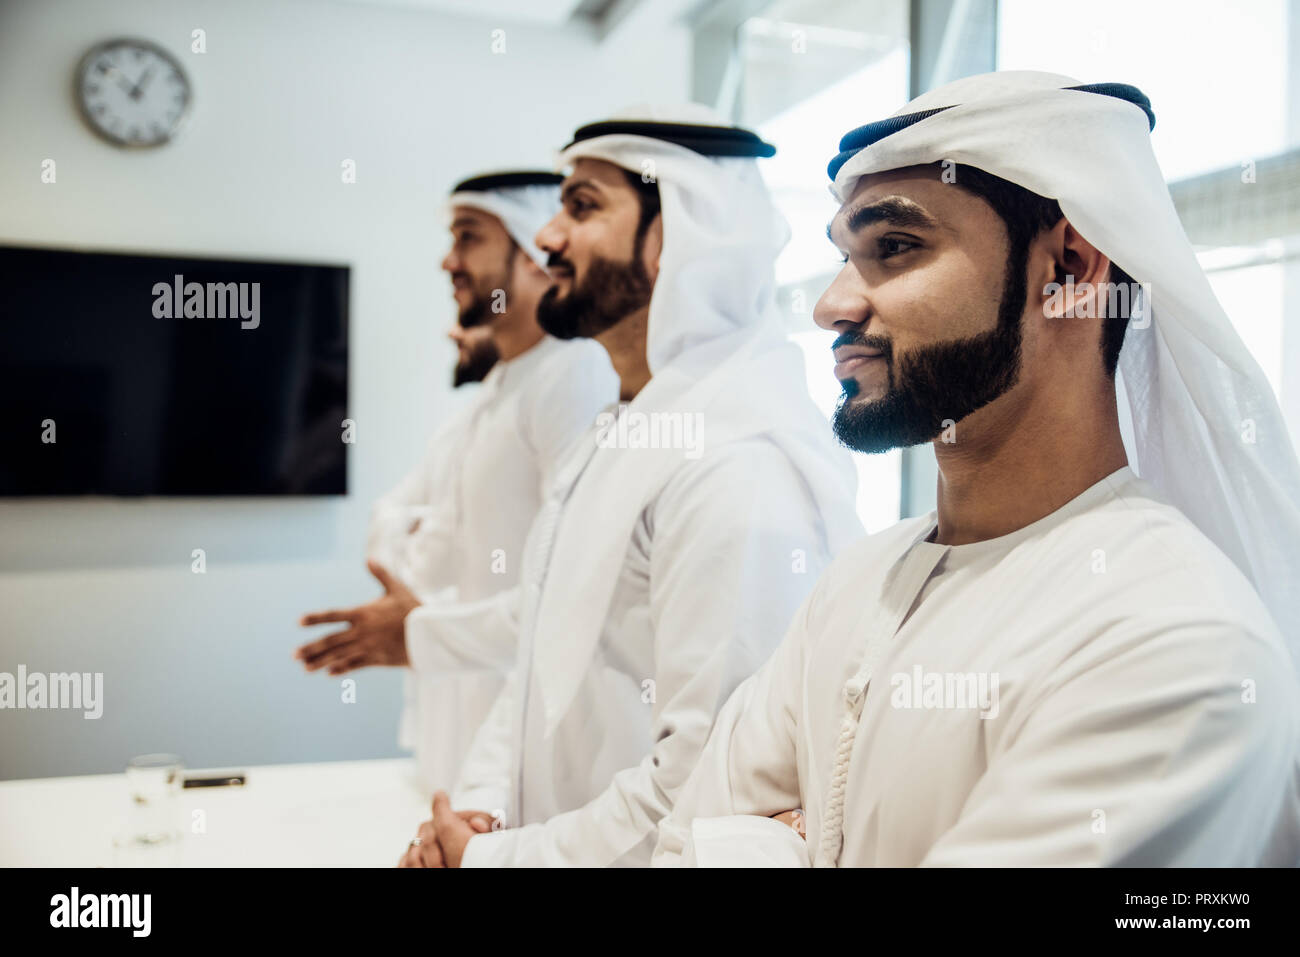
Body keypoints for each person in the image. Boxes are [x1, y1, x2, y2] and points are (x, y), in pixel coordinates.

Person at [653, 71, 1300, 867]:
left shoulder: (1174, 640)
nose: (832, 304)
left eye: (894, 247)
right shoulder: (857, 582)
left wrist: (767, 844)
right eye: (847, 255)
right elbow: (675, 849)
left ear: (1068, 269)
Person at [398, 105, 861, 867]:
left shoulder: (736, 459)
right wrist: (481, 809)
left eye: (582, 207)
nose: (548, 239)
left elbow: (707, 784)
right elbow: (541, 660)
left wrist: (493, 858)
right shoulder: (619, 430)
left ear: (679, 236)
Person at [294, 171, 617, 796]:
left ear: (531, 253)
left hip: (522, 759)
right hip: (457, 732)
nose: (449, 262)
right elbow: (395, 526)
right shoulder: (501, 388)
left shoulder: (575, 378)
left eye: (468, 238)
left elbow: (573, 602)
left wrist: (424, 627)